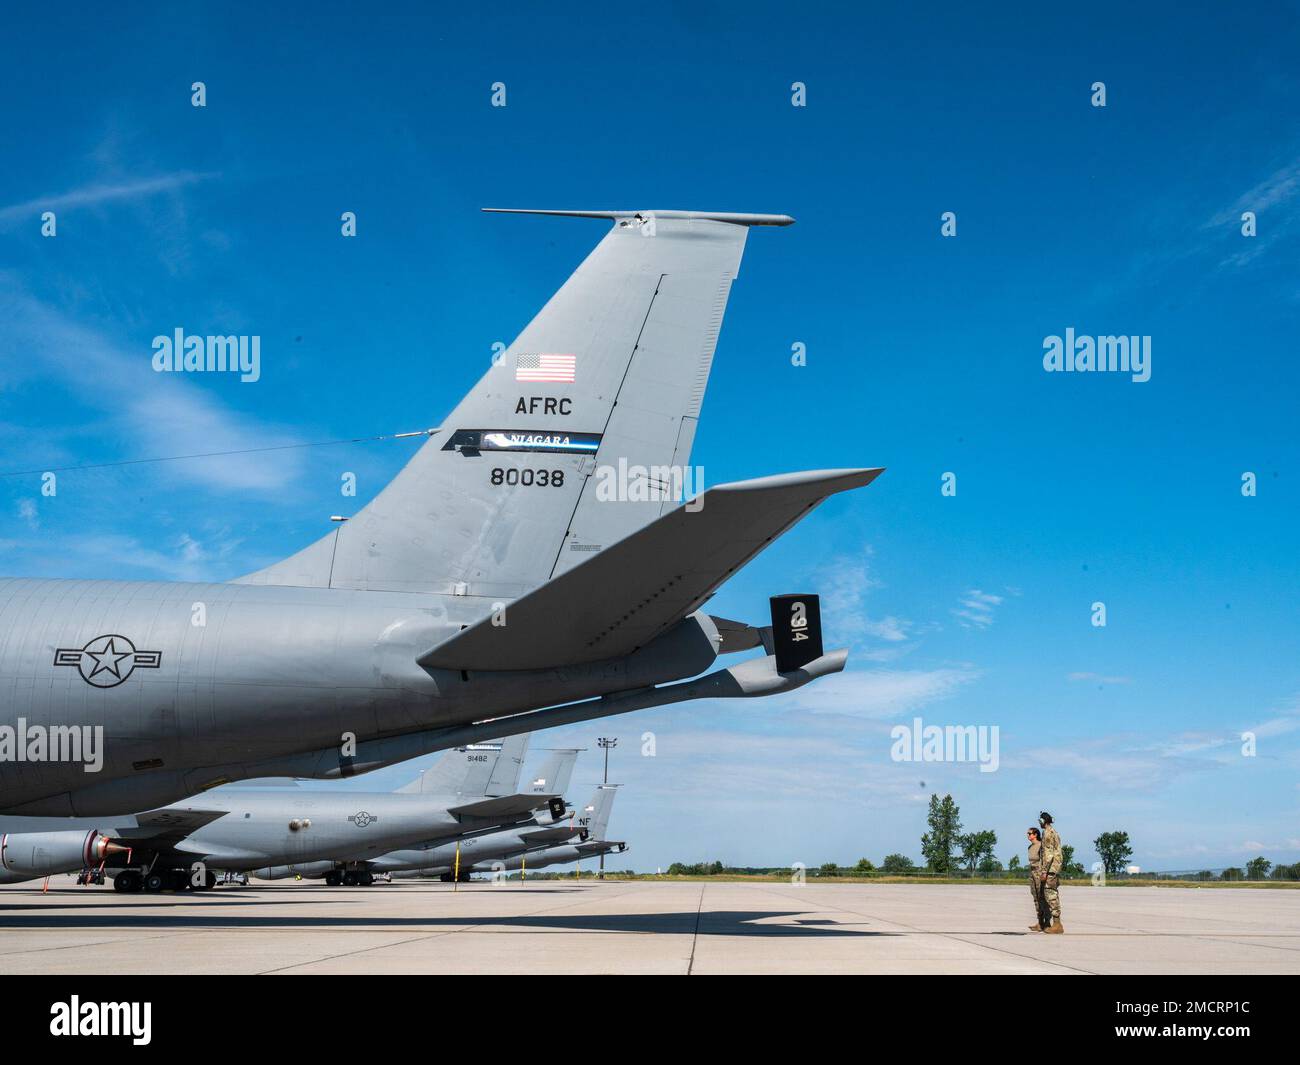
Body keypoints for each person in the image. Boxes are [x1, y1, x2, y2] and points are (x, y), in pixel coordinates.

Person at [1039, 811, 1064, 934]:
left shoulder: (1048, 833)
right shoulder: (1053, 832)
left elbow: (1048, 855)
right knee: (1049, 894)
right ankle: (1053, 923)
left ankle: (1057, 924)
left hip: (1050, 869)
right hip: (1053, 868)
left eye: (1040, 820)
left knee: (1051, 894)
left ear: (1044, 821)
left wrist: (1044, 871)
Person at [1026, 827, 1051, 931]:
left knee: (1042, 898)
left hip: (1039, 873)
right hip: (1032, 873)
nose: (1028, 835)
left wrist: (1044, 873)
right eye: (1028, 833)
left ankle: (1047, 922)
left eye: (1030, 833)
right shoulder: (1030, 847)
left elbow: (1045, 860)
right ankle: (1040, 922)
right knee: (1036, 898)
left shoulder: (1041, 846)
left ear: (1035, 834)